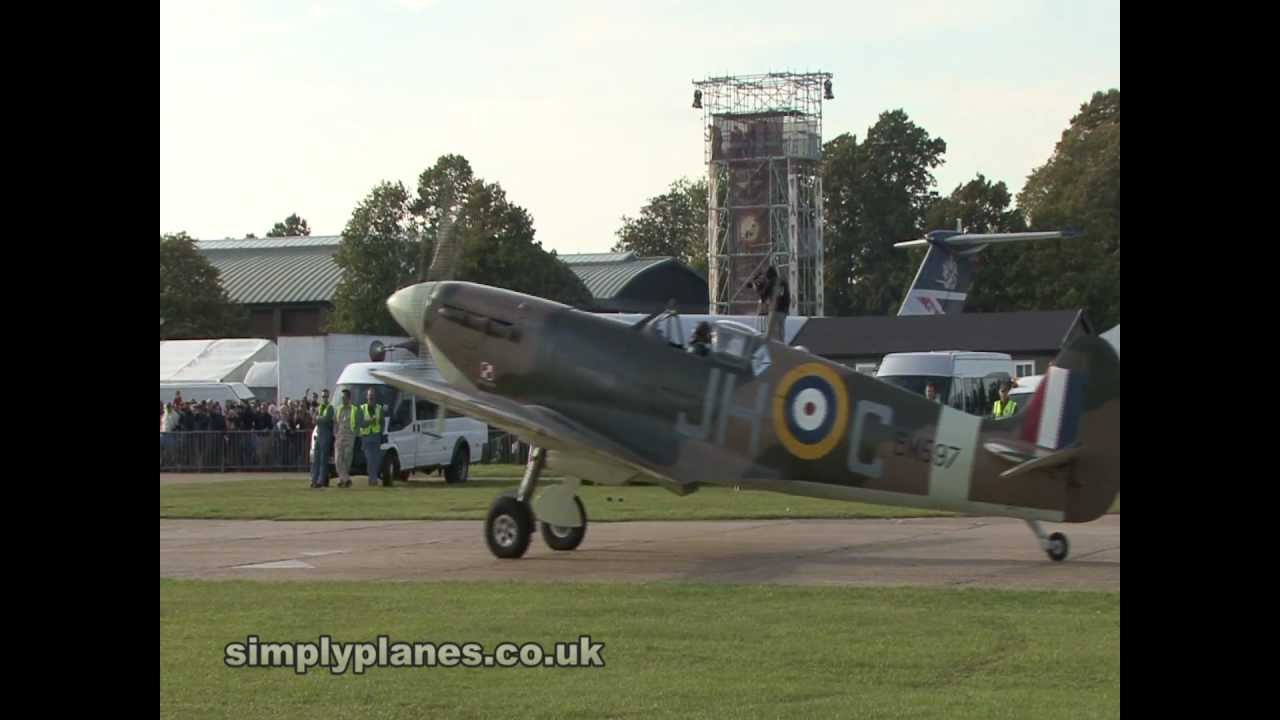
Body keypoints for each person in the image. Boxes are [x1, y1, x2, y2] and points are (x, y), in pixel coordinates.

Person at [357, 388, 385, 486]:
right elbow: (360, 423)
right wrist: (369, 421)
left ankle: (373, 478)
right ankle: (372, 479)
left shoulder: (379, 408)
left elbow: (382, 422)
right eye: (369, 395)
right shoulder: (362, 408)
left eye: (372, 395)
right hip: (366, 437)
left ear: (375, 397)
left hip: (376, 437)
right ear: (366, 397)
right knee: (369, 459)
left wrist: (381, 432)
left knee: (376, 460)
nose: (371, 397)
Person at [310, 389, 335, 488]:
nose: (324, 398)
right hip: (319, 434)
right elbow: (313, 419)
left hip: (326, 435)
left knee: (323, 459)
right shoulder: (319, 407)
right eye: (323, 396)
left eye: (325, 396)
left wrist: (317, 418)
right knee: (316, 459)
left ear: (328, 397)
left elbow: (326, 419)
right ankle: (314, 480)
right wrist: (317, 418)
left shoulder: (330, 407)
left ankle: (321, 481)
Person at [334, 388, 356, 488]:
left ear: (349, 398)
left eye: (344, 397)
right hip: (340, 435)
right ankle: (346, 479)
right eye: (341, 397)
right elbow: (335, 422)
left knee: (347, 457)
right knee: (338, 459)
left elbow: (357, 422)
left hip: (350, 436)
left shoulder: (354, 409)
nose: (342, 399)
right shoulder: (338, 409)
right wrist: (335, 433)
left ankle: (342, 479)